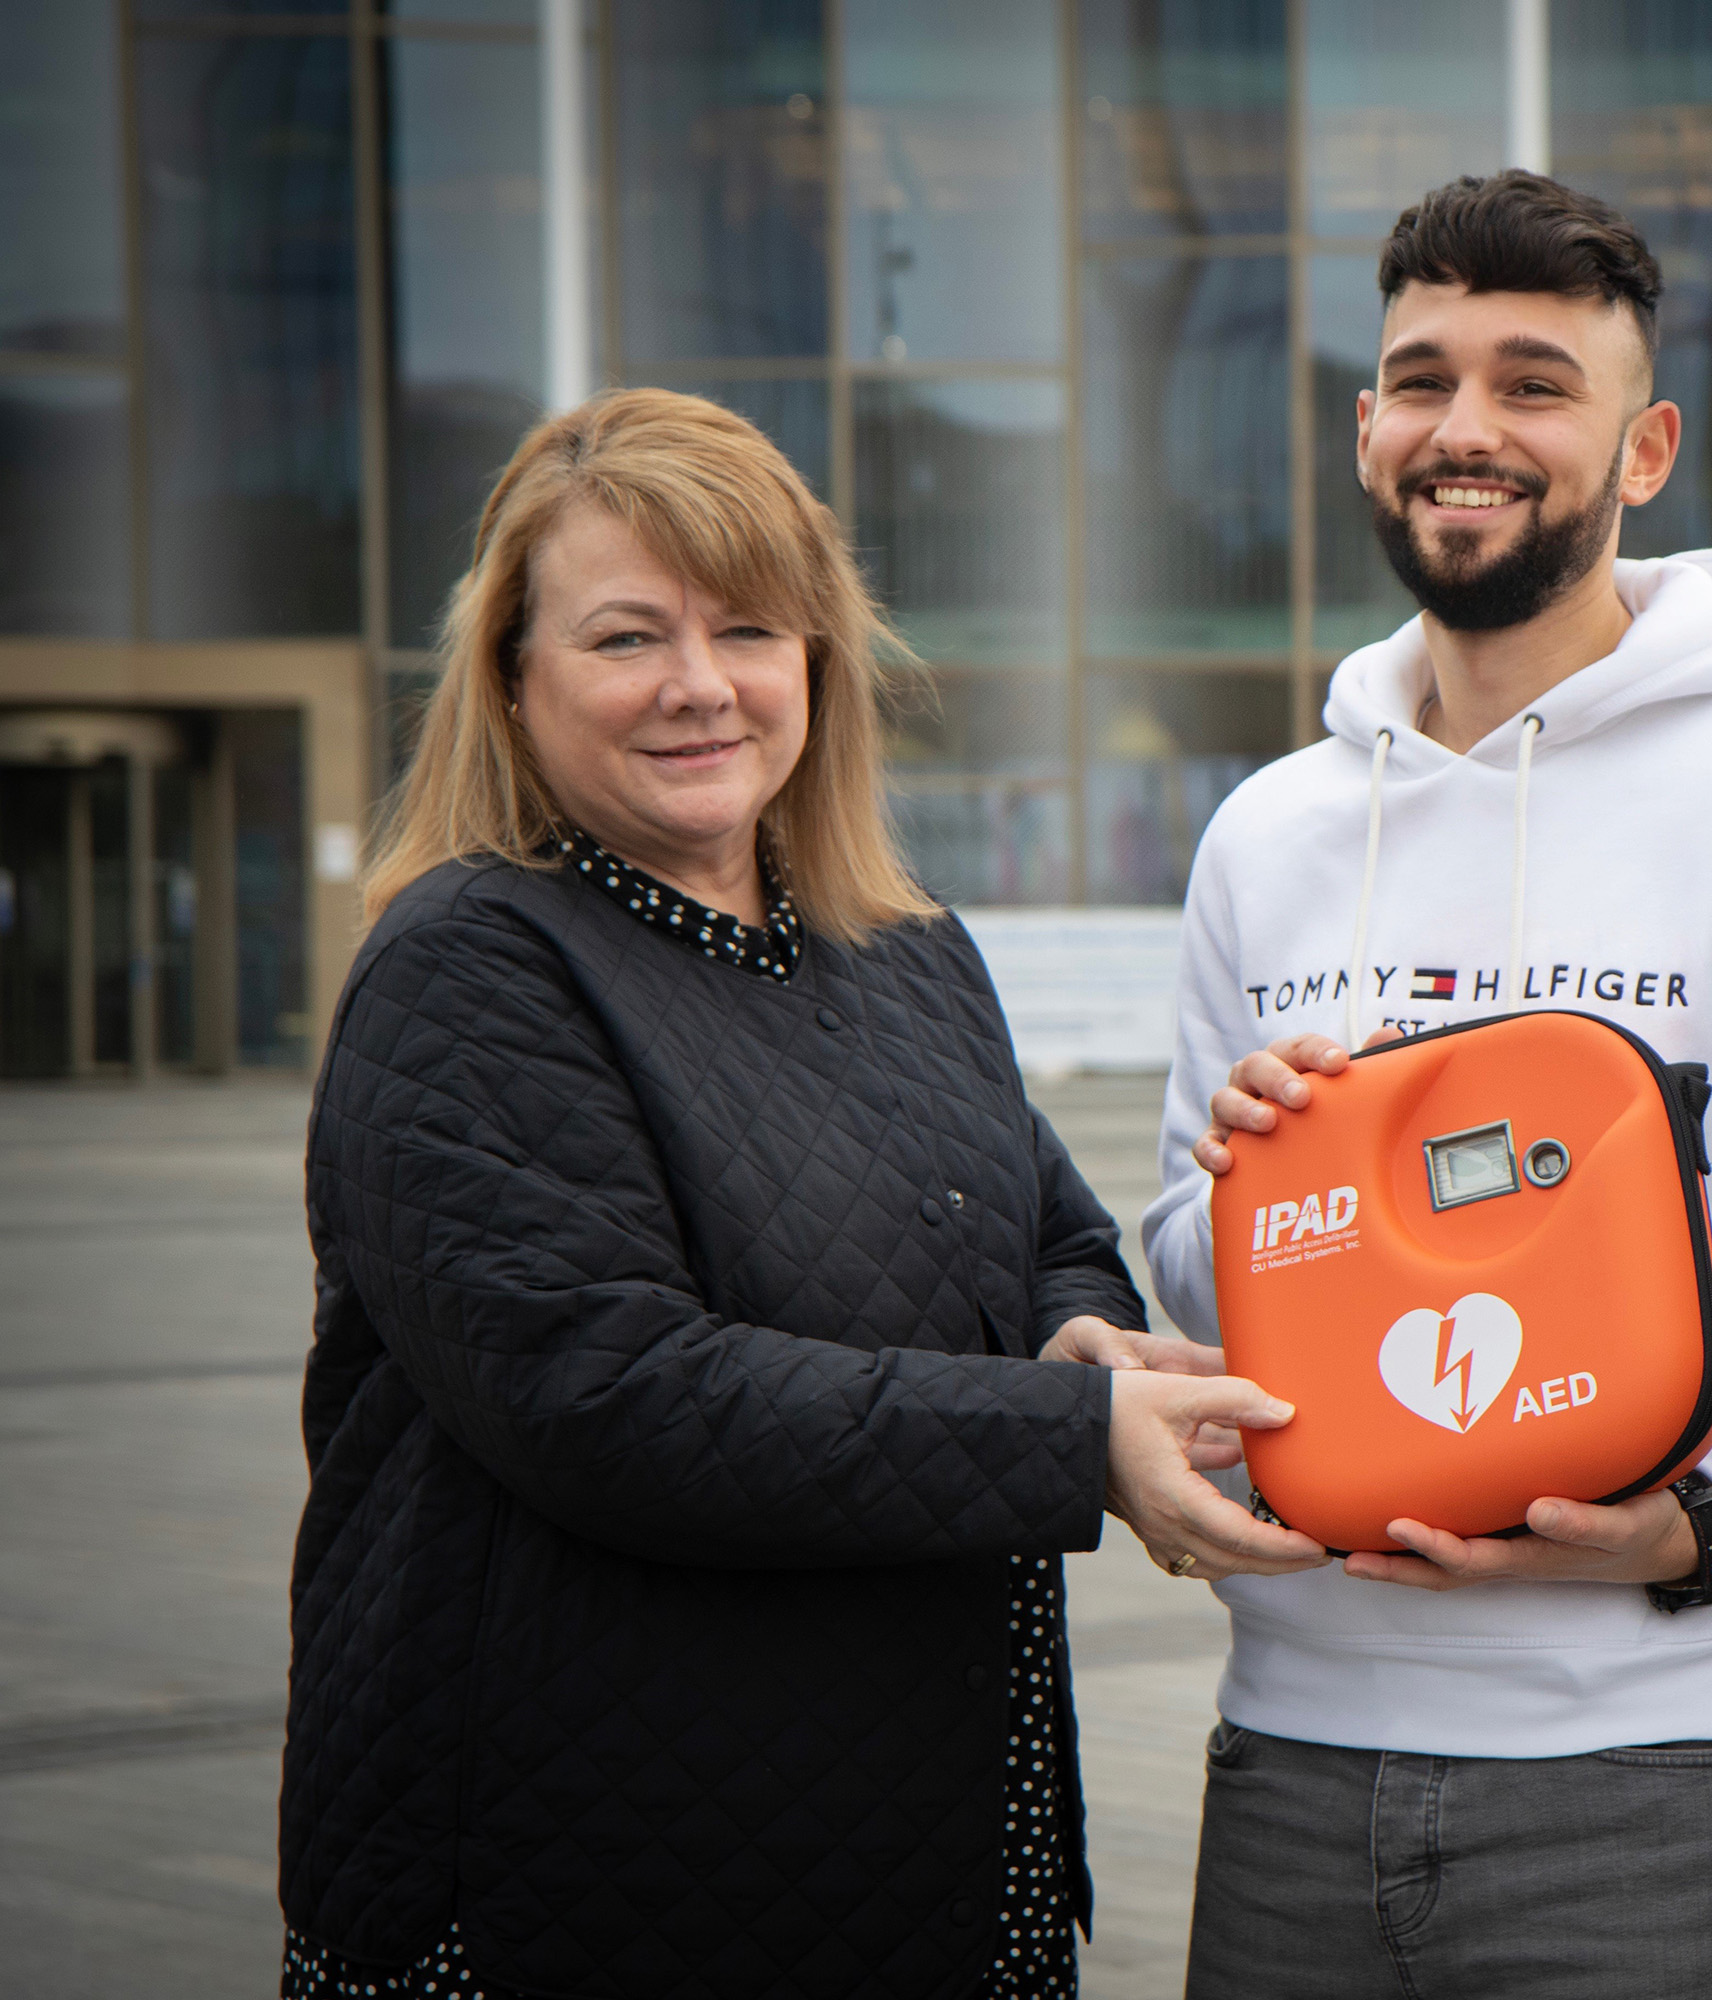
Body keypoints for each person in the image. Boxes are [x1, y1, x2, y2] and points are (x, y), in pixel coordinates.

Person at [283, 388, 1316, 2000]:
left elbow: (1046, 1237)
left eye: (750, 628)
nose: (701, 687)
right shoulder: (472, 966)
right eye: (627, 638)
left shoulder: (905, 954)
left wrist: (1081, 1347)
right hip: (582, 1888)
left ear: (819, 662)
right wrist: (1068, 1444)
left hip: (930, 1857)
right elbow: (610, 1395)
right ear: (511, 676)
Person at [1138, 172, 1712, 1999]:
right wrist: (1232, 1189)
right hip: (1293, 1764)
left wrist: (1711, 1516)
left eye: (1535, 382)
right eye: (1421, 378)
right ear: (1367, 429)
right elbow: (1188, 1264)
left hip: (1672, 1784)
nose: (1466, 429)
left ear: (1646, 449)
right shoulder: (1273, 831)